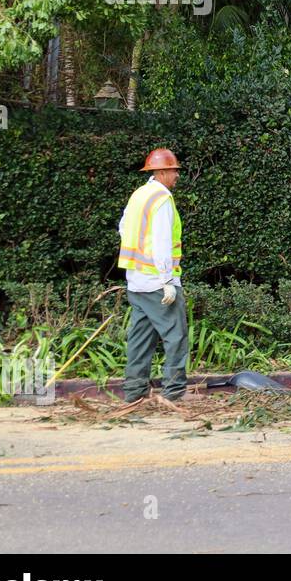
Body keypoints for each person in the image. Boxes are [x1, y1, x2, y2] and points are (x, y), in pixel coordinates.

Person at [117, 148, 187, 403]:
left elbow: (123, 227)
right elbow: (161, 241)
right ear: (161, 172)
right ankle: (174, 393)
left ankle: (134, 393)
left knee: (140, 337)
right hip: (158, 283)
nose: (177, 176)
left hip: (136, 281)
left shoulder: (139, 195)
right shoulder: (162, 198)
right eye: (174, 171)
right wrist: (167, 280)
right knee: (176, 336)